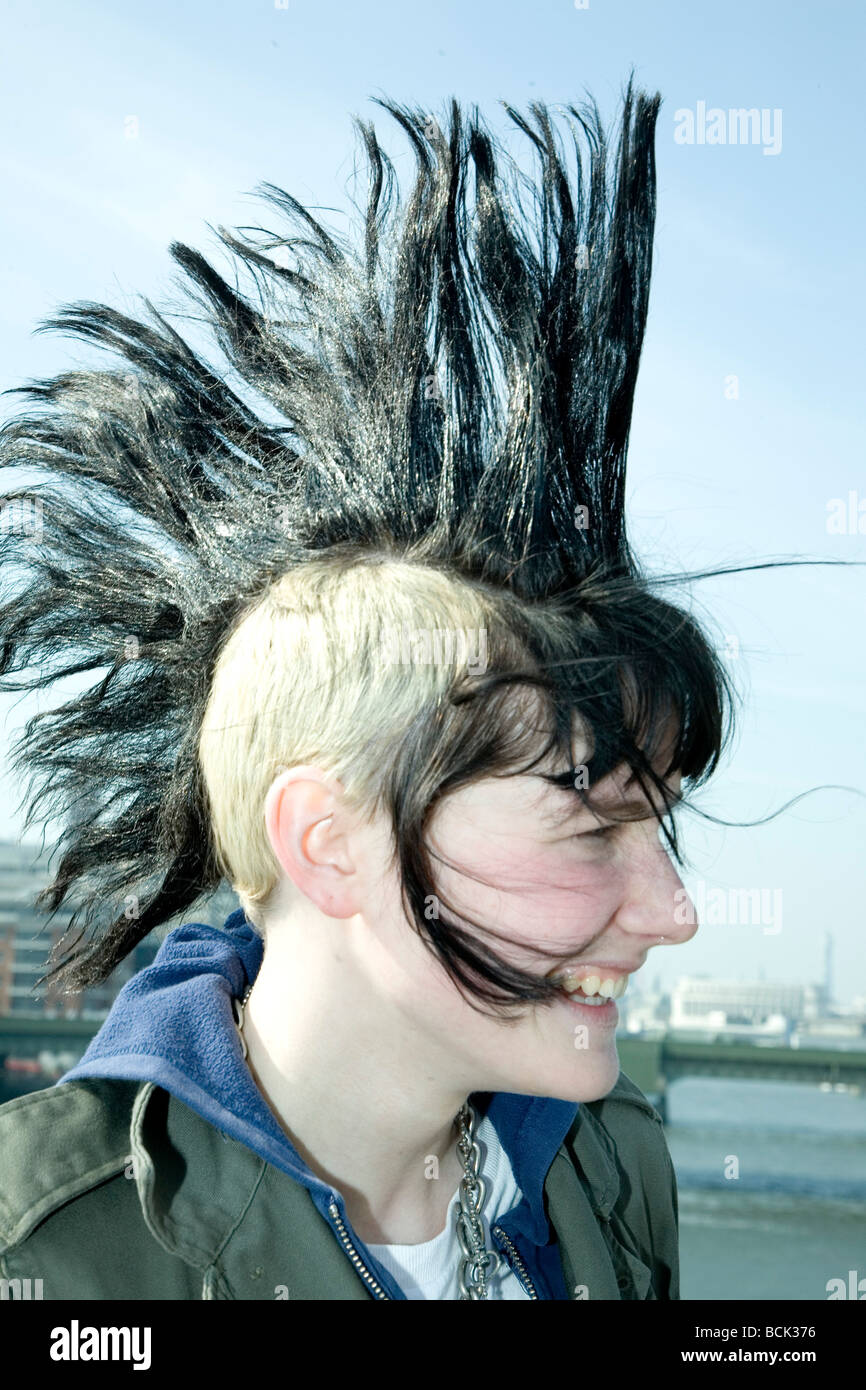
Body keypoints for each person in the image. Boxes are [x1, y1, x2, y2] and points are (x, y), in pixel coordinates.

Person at [0, 75, 735, 1300]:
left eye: (658, 822)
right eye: (594, 823)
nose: (673, 911)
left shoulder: (612, 1169)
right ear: (327, 840)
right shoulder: (48, 1259)